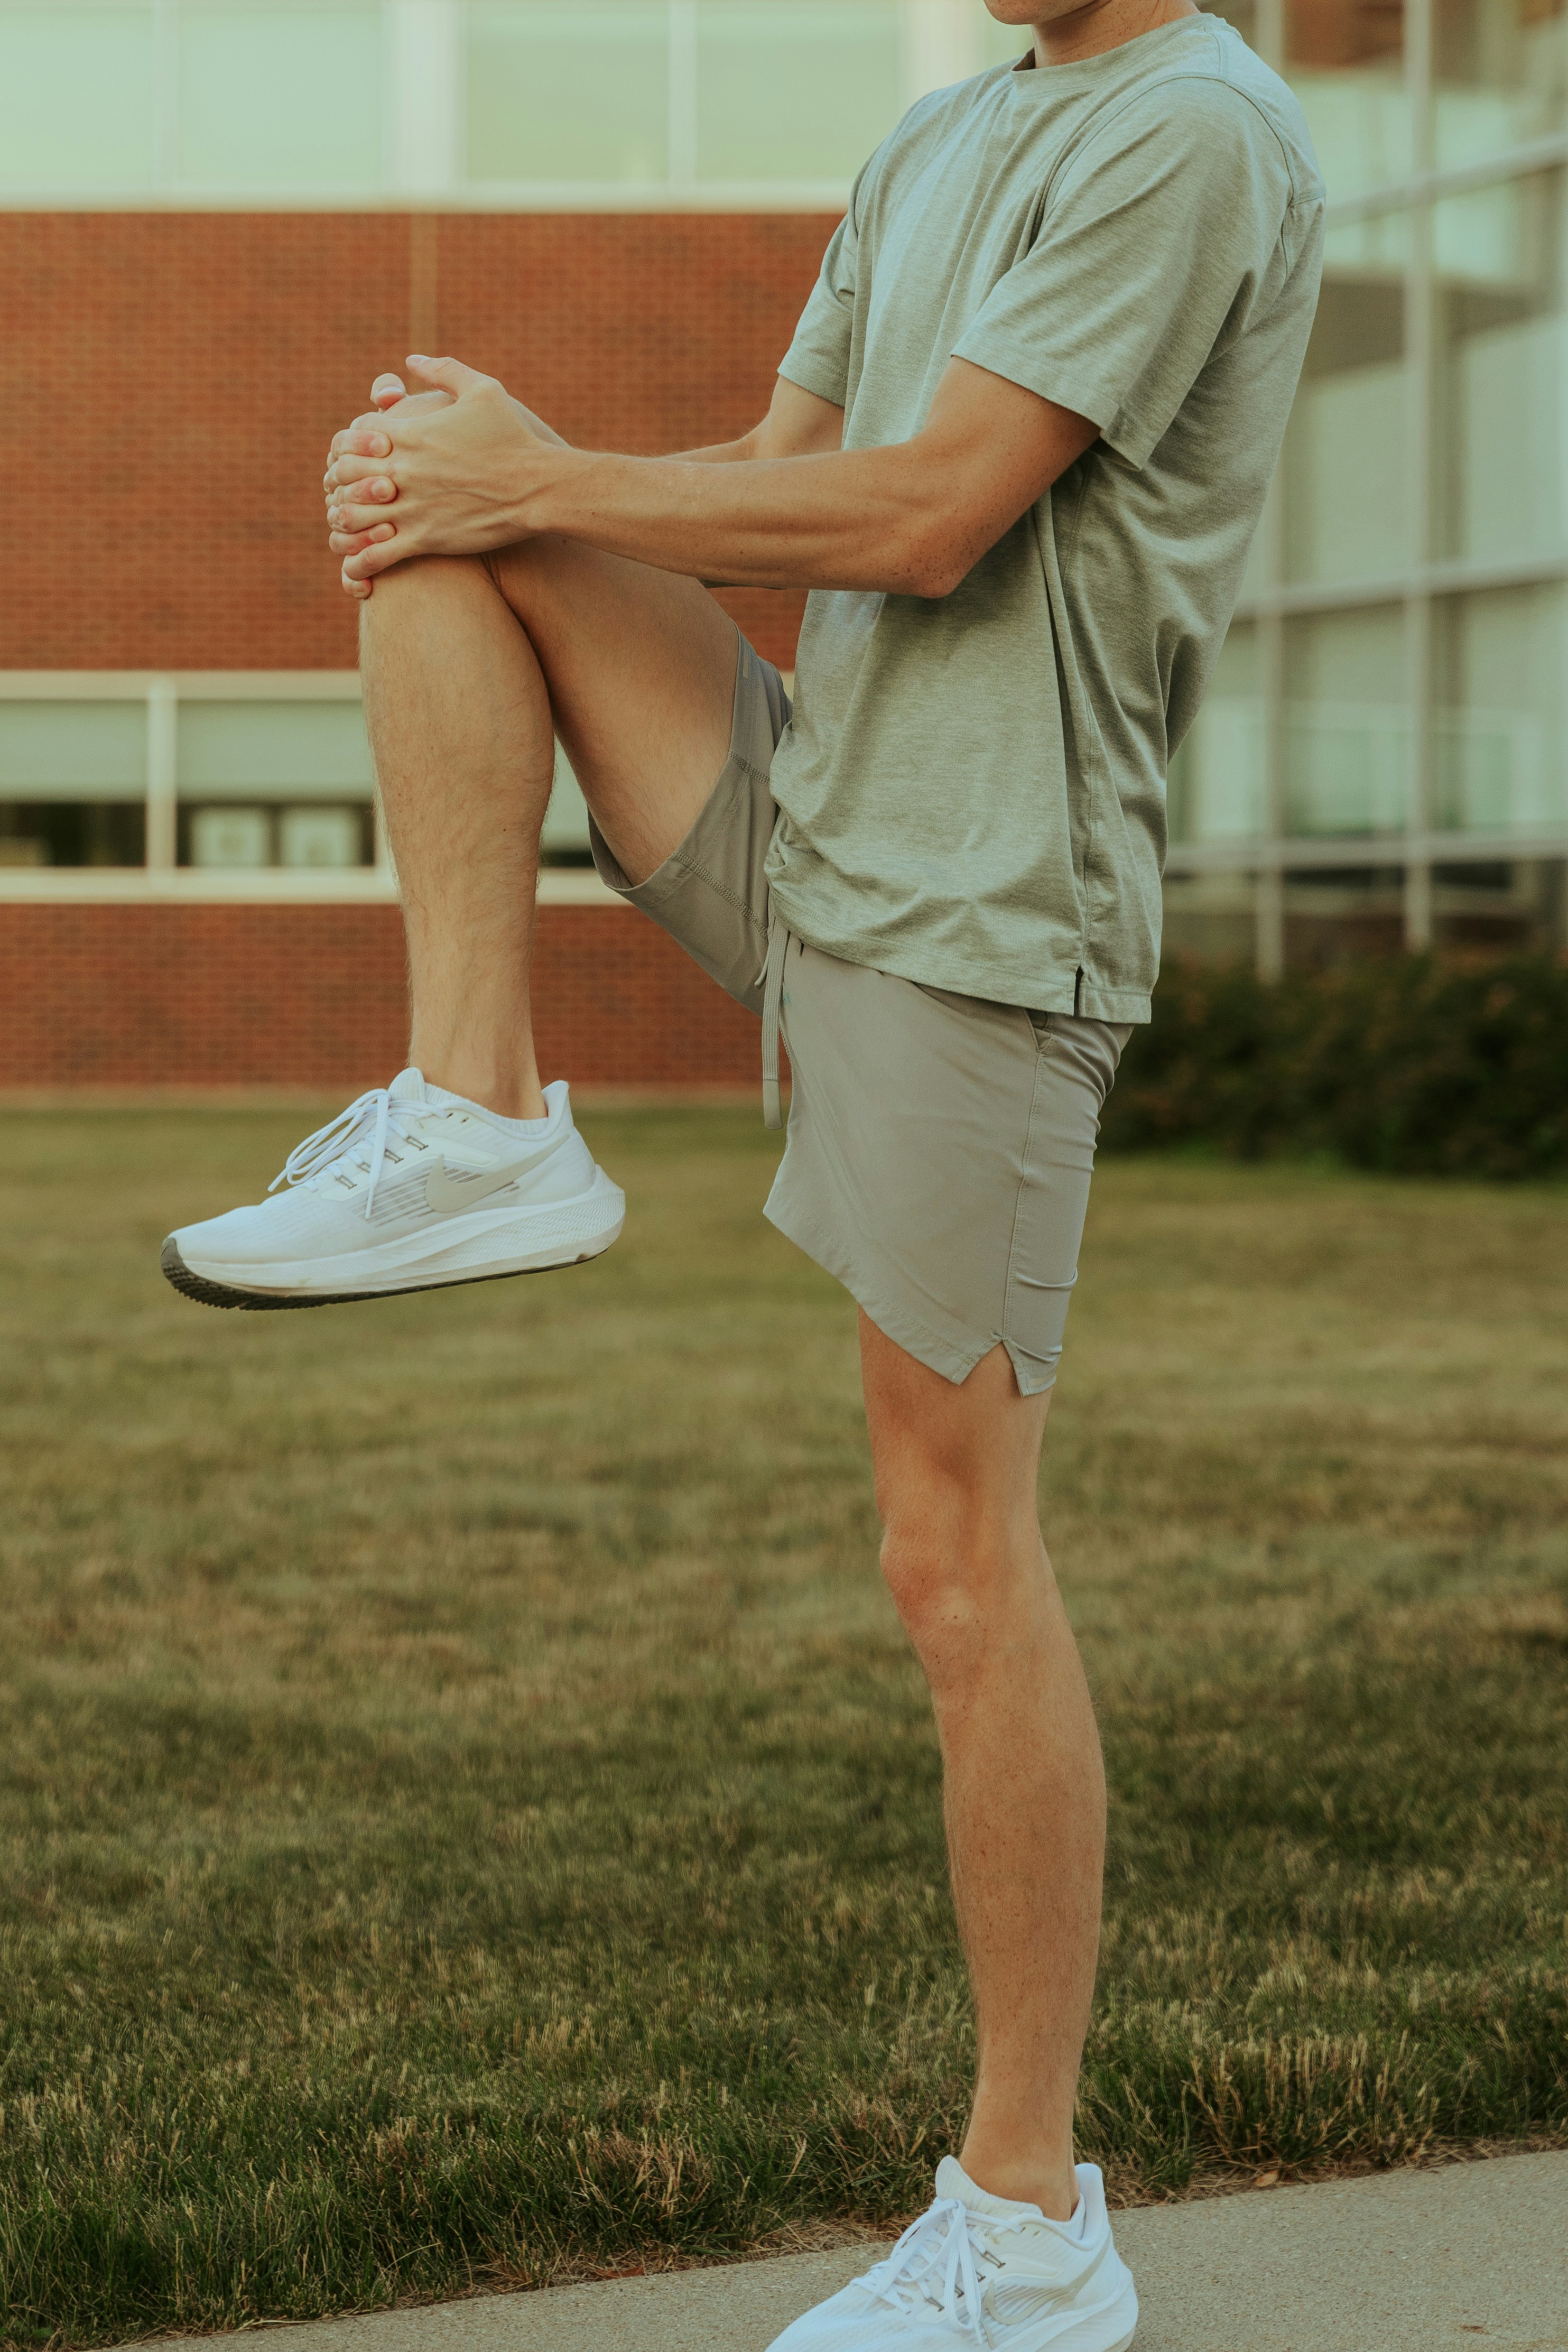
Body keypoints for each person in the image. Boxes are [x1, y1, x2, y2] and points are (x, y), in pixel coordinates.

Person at [164, 0, 1321, 2340]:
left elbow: (926, 511)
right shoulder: (939, 138)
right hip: (818, 810)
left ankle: (1030, 2229)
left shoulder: (1193, 130)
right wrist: (500, 472)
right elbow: (775, 471)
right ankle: (483, 1111)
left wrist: (548, 474)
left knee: (953, 1554)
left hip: (985, 906)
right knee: (443, 523)